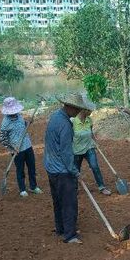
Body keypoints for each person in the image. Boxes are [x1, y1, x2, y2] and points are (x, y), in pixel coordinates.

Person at [44, 92, 88, 244]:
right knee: (69, 203)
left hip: (51, 167)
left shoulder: (55, 116)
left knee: (58, 200)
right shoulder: (65, 125)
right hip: (62, 170)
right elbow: (66, 152)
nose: (77, 112)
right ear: (69, 107)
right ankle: (70, 235)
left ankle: (61, 228)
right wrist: (75, 172)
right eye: (76, 109)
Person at [0, 97, 42, 198]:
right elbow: (3, 140)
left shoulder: (19, 116)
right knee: (20, 169)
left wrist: (29, 122)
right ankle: (22, 189)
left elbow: (24, 125)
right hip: (17, 150)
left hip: (27, 145)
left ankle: (33, 186)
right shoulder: (5, 123)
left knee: (32, 167)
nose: (14, 113)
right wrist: (12, 148)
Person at [71, 95, 111, 196]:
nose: (91, 112)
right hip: (76, 150)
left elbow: (91, 132)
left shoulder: (89, 120)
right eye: (89, 110)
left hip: (89, 147)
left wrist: (95, 141)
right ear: (84, 110)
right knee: (76, 170)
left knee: (95, 166)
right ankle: (74, 188)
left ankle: (102, 187)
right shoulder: (73, 121)